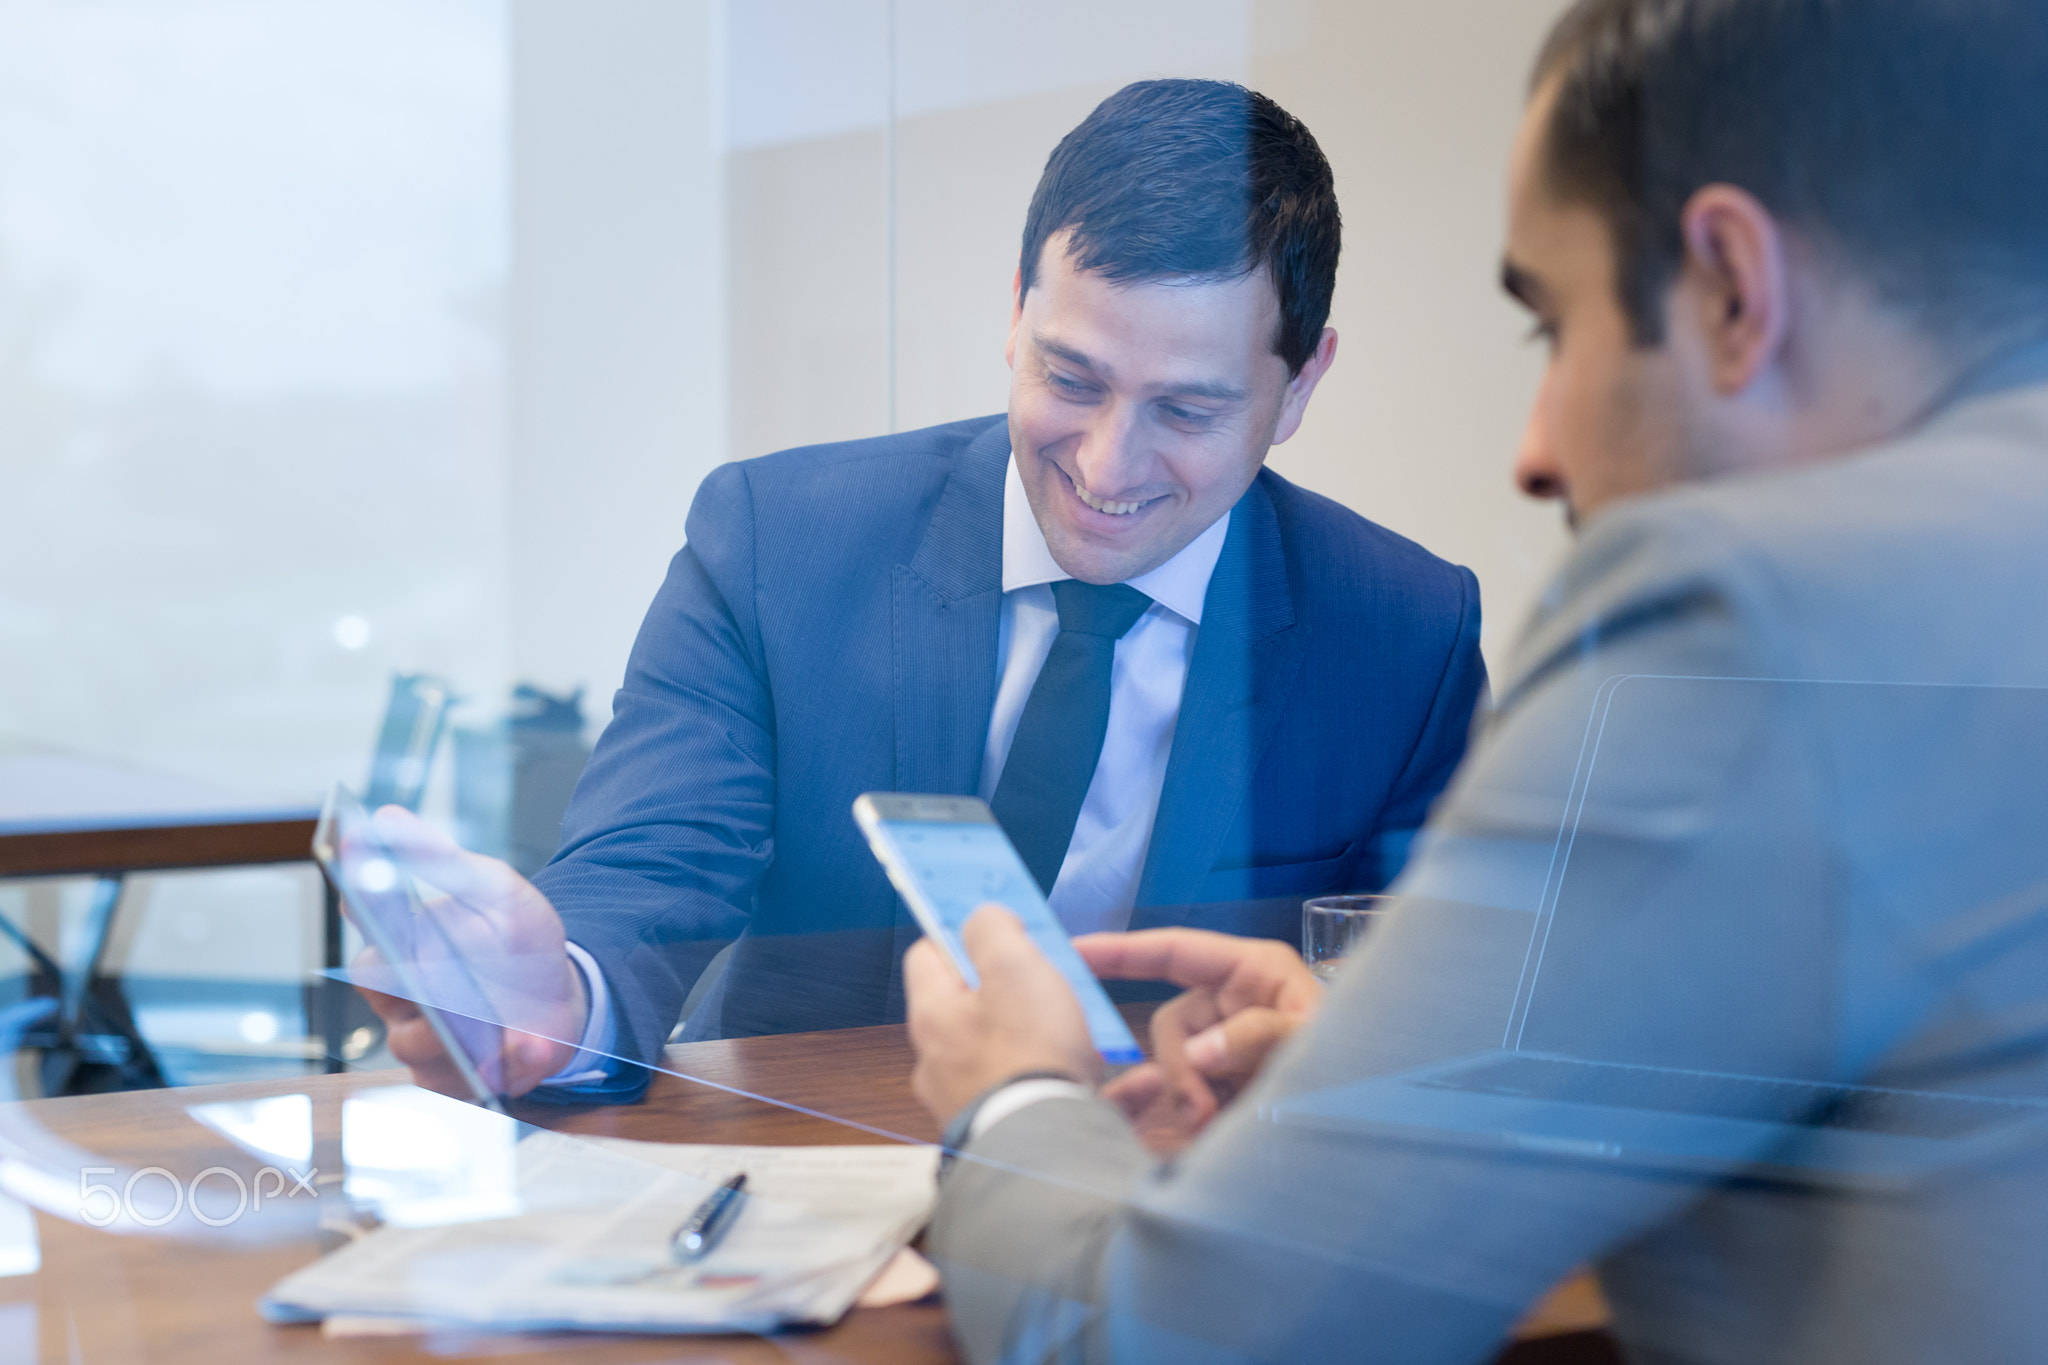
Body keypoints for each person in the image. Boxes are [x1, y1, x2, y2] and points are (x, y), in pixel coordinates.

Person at [905, 1, 2048, 1360]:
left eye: (1551, 327)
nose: (1536, 448)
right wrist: (1417, 1065)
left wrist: (1016, 1102)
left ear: (1734, 286)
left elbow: (1181, 1338)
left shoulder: (1747, 610)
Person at [366, 79, 1487, 1102]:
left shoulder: (1401, 634)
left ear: (1300, 387)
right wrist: (559, 996)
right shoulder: (777, 542)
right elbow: (652, 862)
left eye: (1186, 412)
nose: (1105, 467)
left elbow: (1412, 1003)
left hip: (1161, 1211)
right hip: (791, 1161)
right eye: (1069, 378)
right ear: (1013, 312)